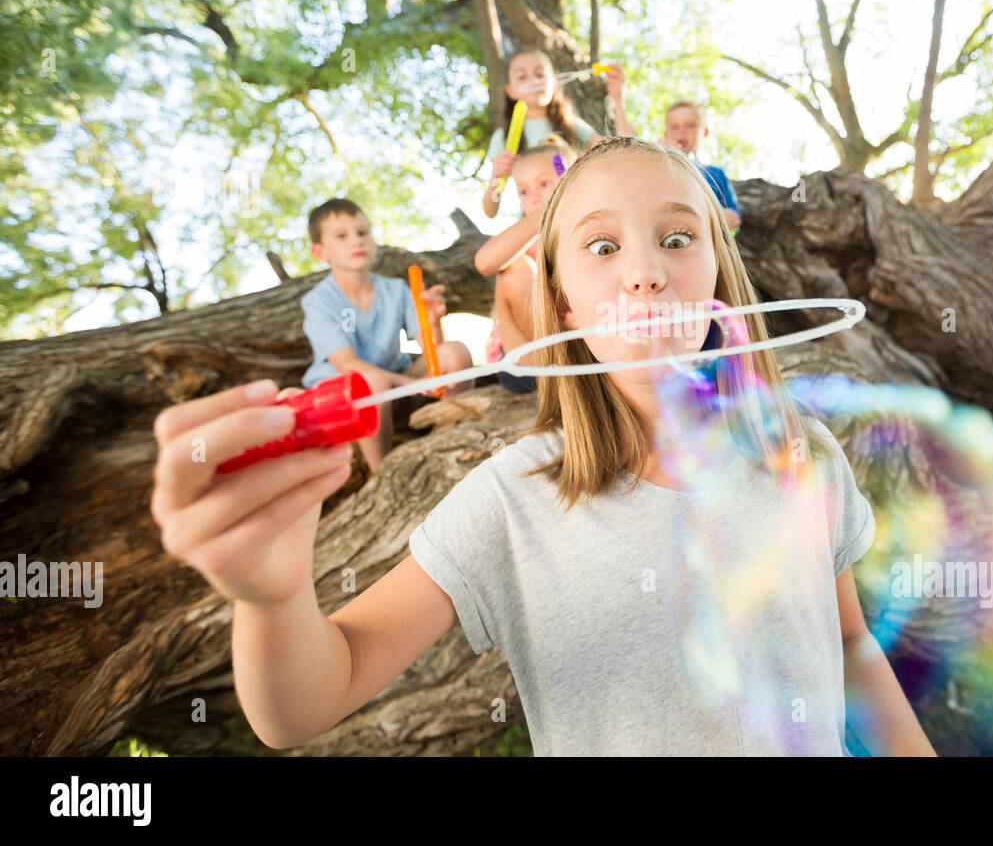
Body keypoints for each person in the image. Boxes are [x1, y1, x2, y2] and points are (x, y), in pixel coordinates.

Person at [149, 138, 936, 757]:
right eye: (602, 247)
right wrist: (273, 596)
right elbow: (306, 705)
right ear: (559, 302)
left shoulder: (806, 456)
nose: (645, 274)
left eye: (675, 237)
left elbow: (848, 640)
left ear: (719, 280)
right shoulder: (513, 497)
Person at [299, 198, 474, 471]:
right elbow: (347, 365)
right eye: (342, 236)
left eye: (363, 233)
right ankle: (380, 473)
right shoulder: (319, 301)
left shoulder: (396, 289)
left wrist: (433, 322)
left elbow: (433, 351)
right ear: (320, 251)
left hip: (393, 384)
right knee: (370, 381)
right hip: (349, 396)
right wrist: (408, 384)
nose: (356, 241)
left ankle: (456, 435)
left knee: (455, 352)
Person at [475, 135, 578, 395]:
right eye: (523, 191)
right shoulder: (525, 240)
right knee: (516, 269)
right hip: (524, 366)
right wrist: (545, 213)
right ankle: (550, 381)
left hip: (576, 351)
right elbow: (485, 263)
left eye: (545, 184)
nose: (534, 196)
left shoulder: (589, 235)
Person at [481, 48, 632, 218]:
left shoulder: (571, 125)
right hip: (536, 223)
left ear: (554, 83)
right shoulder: (505, 137)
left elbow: (620, 152)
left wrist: (617, 99)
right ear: (510, 91)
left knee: (558, 161)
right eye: (522, 77)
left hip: (577, 212)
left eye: (540, 74)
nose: (533, 80)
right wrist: (496, 177)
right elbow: (490, 212)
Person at [662, 100, 742, 234]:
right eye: (675, 127)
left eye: (691, 125)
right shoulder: (660, 168)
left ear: (704, 132)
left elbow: (734, 216)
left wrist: (728, 217)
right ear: (666, 135)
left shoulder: (716, 174)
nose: (682, 131)